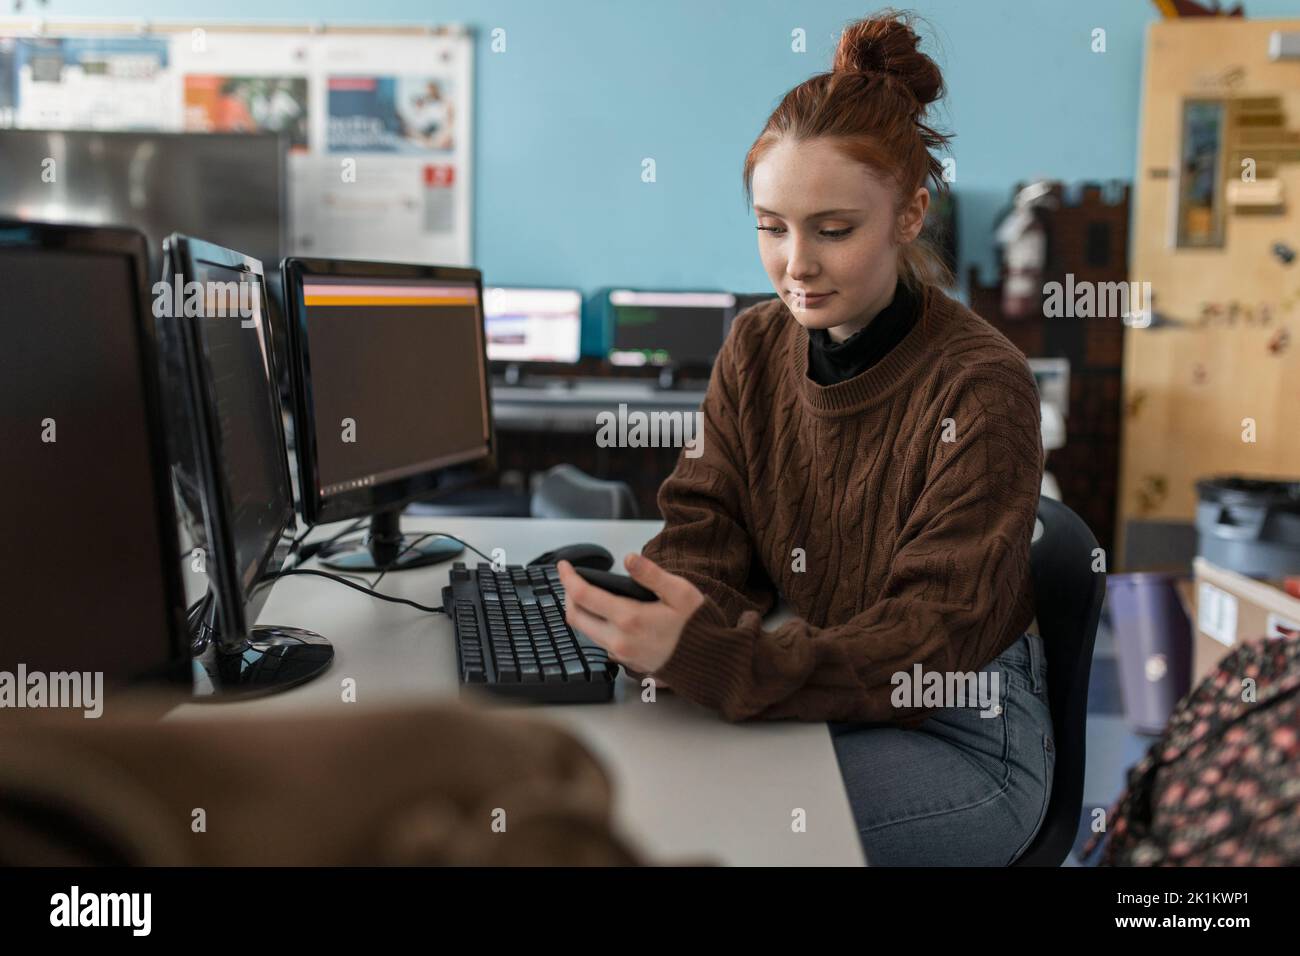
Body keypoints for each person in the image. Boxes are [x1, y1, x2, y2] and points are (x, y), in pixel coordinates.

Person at [556, 8, 1052, 866]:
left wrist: (729, 667)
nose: (795, 265)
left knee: (709, 829)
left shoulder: (981, 385)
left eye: (832, 230)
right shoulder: (755, 345)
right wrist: (674, 629)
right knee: (631, 783)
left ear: (908, 215)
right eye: (770, 226)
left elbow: (923, 640)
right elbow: (708, 531)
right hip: (818, 671)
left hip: (962, 729)